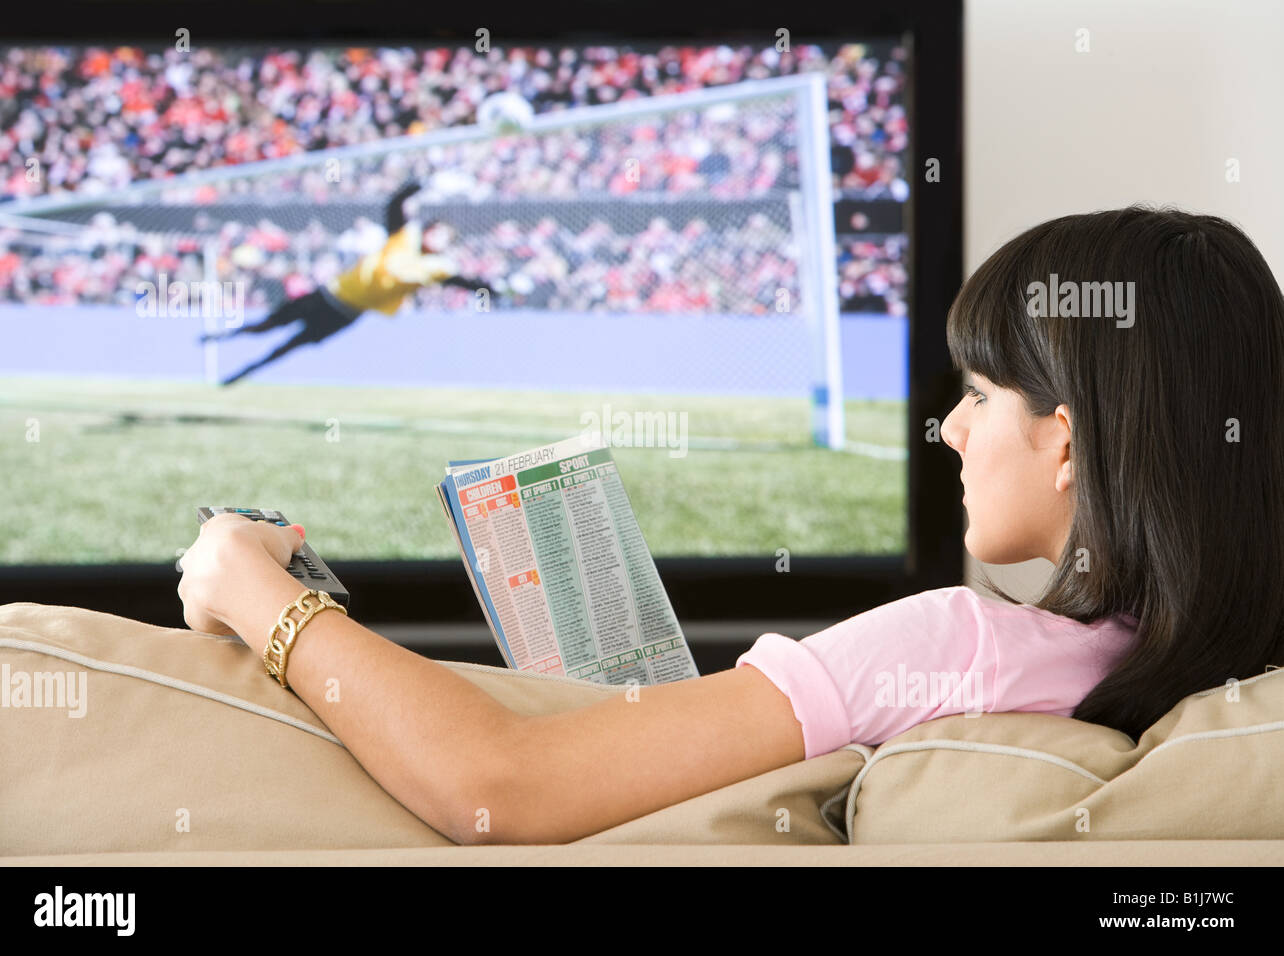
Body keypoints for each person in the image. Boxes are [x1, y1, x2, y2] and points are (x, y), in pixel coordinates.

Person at [177, 205, 1284, 844]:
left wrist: (253, 584)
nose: (946, 428)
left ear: (1068, 440)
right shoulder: (1229, 680)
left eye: (981, 392)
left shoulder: (962, 644)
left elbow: (497, 785)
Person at [199, 181, 496, 385]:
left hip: (347, 312)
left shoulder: (437, 268)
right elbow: (394, 203)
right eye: (436, 231)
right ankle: (227, 335)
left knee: (292, 345)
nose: (437, 237)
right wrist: (414, 187)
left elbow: (466, 282)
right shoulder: (403, 237)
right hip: (329, 294)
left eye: (444, 236)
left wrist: (491, 291)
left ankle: (247, 371)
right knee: (270, 324)